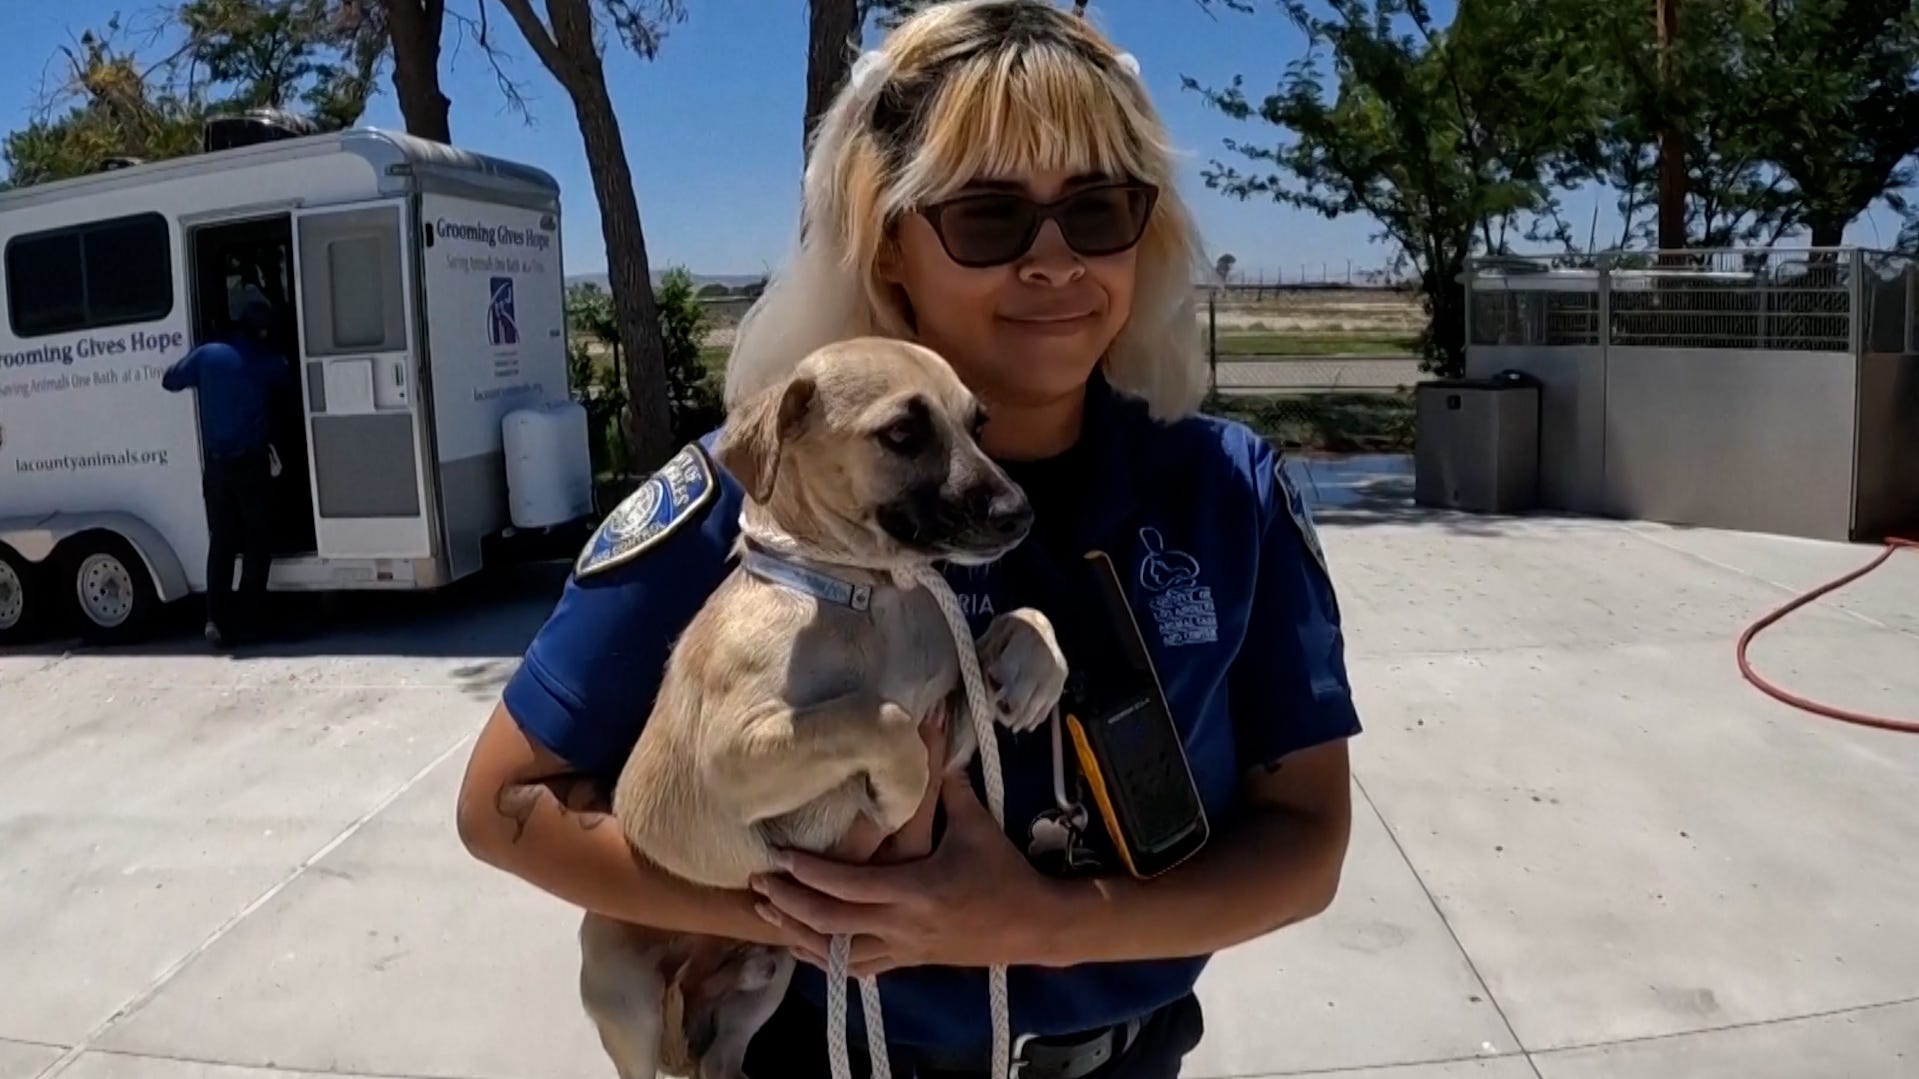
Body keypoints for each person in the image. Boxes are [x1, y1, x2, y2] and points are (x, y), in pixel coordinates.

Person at [453, 1, 1362, 1076]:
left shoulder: (1226, 494)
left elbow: (1304, 841)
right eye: (988, 217)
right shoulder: (758, 488)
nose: (1055, 259)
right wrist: (800, 910)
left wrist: (1022, 924)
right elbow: (505, 806)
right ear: (889, 244)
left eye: (1100, 208)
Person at [161, 298, 289, 648]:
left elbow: (170, 380)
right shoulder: (265, 361)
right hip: (251, 465)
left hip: (217, 467)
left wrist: (200, 354)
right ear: (262, 331)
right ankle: (251, 621)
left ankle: (215, 620)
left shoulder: (208, 354)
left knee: (221, 543)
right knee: (256, 543)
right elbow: (289, 379)